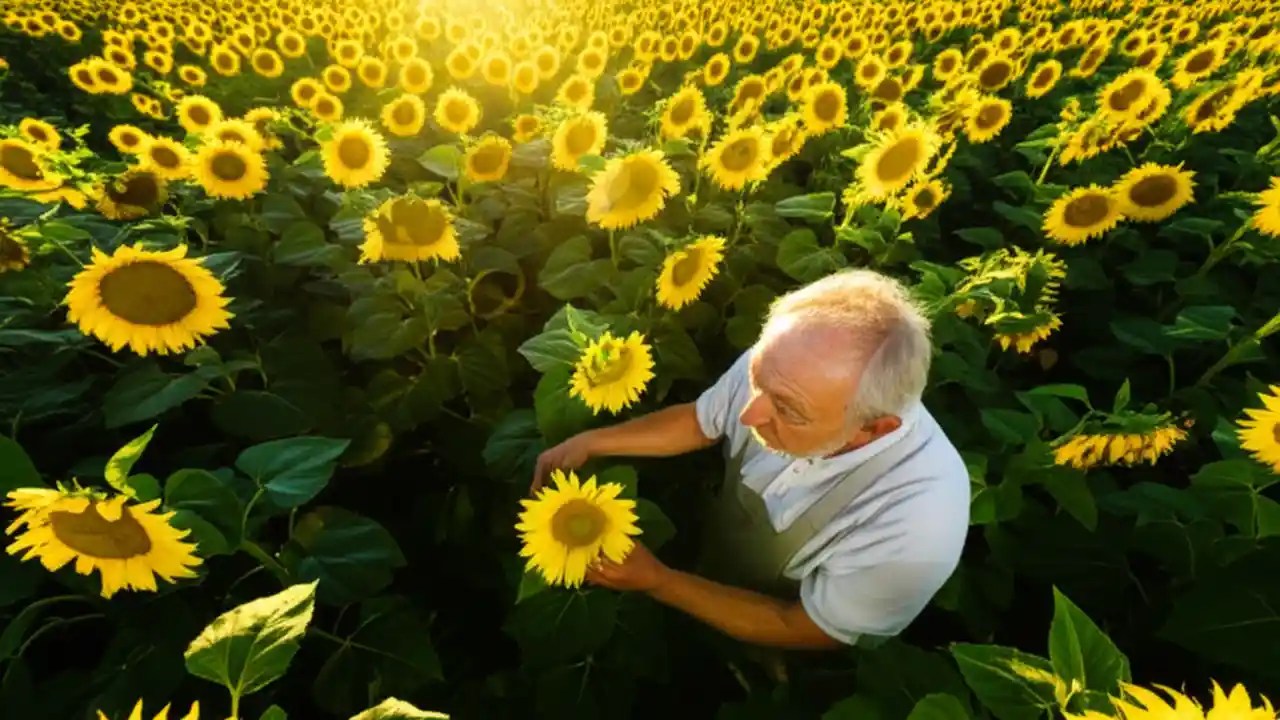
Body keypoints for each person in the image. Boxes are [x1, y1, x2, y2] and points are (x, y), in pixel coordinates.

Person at [531, 269, 970, 650]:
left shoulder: (920, 522)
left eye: (788, 411)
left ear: (872, 430)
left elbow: (806, 627)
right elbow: (704, 420)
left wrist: (660, 581)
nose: (750, 413)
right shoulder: (790, 362)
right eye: (756, 378)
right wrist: (593, 441)